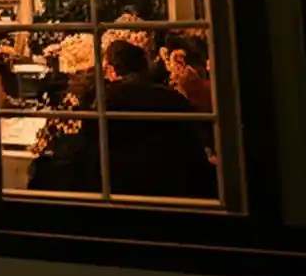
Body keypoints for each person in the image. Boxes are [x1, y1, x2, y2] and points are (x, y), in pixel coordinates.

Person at [27, 40, 215, 198]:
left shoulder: (106, 100)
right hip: (172, 191)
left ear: (110, 69)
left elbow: (88, 147)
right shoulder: (173, 99)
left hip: (115, 188)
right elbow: (195, 150)